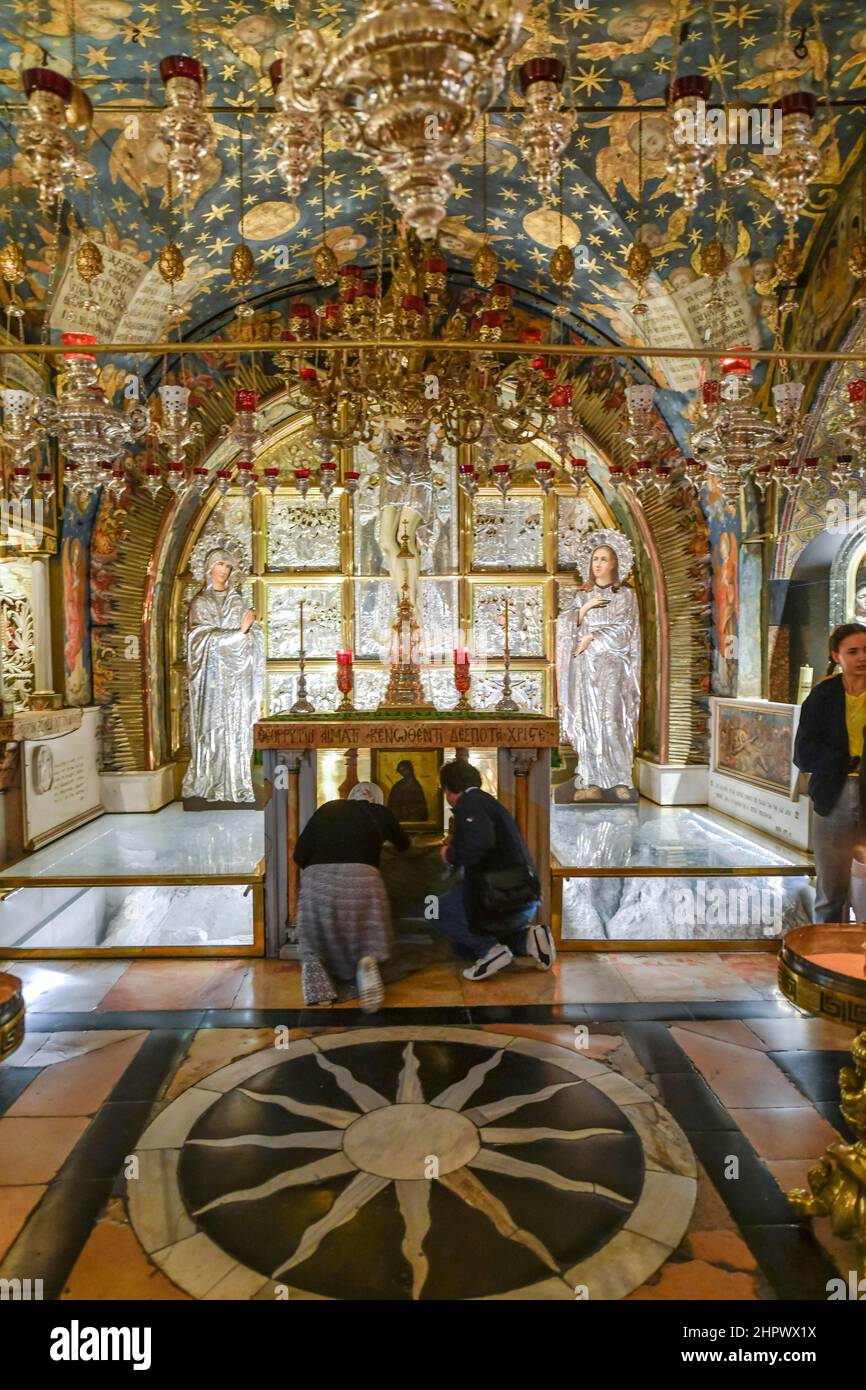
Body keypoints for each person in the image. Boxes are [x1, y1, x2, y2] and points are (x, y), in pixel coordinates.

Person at [431, 759, 556, 980]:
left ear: (449, 789)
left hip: (497, 894)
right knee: (473, 921)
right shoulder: (486, 801)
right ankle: (531, 939)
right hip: (523, 892)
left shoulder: (468, 802)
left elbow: (480, 840)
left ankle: (490, 952)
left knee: (434, 909)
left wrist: (450, 855)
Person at [293, 781, 410, 1009]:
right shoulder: (381, 812)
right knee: (368, 927)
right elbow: (404, 845)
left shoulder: (328, 808)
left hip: (316, 879)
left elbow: (299, 854)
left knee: (315, 935)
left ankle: (317, 979)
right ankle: (367, 960)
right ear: (376, 798)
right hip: (362, 878)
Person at [555, 529, 641, 802]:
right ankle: (590, 779)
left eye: (604, 559)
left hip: (613, 666)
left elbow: (628, 630)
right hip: (585, 668)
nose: (598, 564)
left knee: (613, 719)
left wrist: (594, 635)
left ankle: (618, 779)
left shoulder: (626, 596)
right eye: (595, 559)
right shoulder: (582, 596)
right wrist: (584, 610)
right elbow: (564, 626)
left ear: (615, 563)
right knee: (588, 720)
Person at [793, 622, 866, 922]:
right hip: (834, 794)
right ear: (837, 656)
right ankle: (824, 960)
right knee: (831, 889)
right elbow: (804, 752)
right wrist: (845, 762)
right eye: (853, 651)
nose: (862, 657)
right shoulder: (823, 696)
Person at [182, 547, 264, 804]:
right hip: (211, 682)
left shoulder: (236, 601)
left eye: (228, 567)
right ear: (209, 568)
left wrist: (248, 633)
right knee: (212, 730)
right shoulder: (200, 604)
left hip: (235, 681)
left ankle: (236, 782)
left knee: (236, 730)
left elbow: (250, 637)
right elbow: (199, 641)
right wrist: (237, 634)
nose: (224, 571)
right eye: (220, 565)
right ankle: (210, 783)